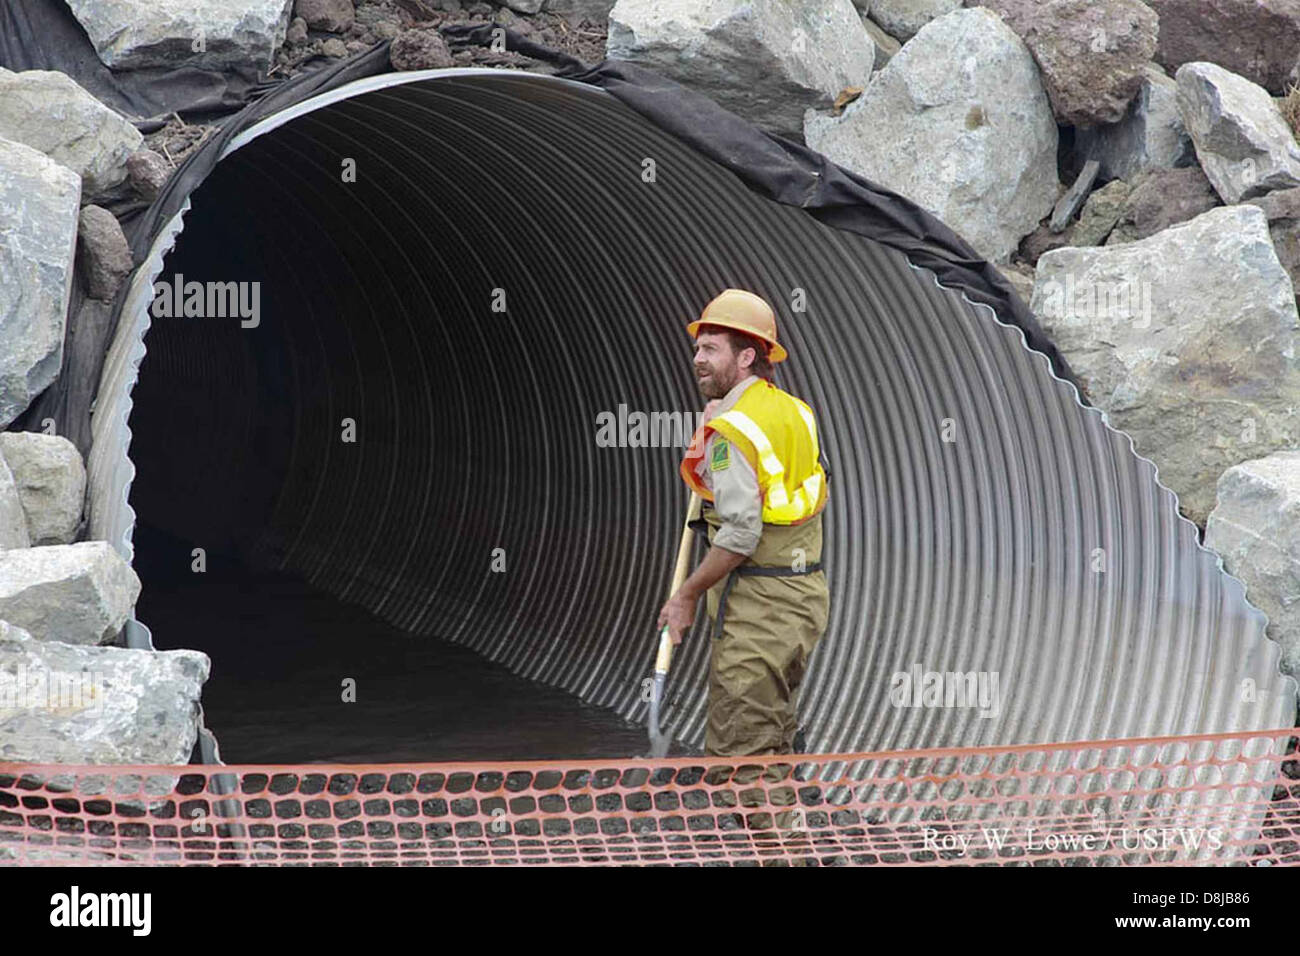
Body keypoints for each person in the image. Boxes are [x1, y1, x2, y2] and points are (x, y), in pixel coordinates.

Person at [656, 288, 831, 833]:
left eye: (711, 349)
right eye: (698, 348)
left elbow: (738, 535)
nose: (698, 359)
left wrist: (684, 595)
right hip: (802, 601)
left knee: (741, 756)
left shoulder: (730, 434)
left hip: (758, 611)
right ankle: (791, 830)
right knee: (773, 734)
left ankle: (784, 847)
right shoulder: (792, 413)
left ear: (747, 356)